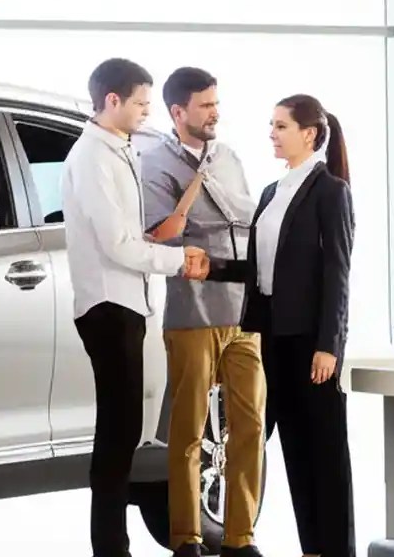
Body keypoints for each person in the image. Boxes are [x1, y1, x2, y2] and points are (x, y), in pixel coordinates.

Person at [61, 57, 208, 557]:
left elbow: (125, 235)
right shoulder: (93, 156)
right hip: (107, 304)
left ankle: (113, 546)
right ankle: (110, 548)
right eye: (142, 103)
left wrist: (153, 243)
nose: (148, 111)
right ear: (113, 101)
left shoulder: (118, 149)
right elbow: (117, 245)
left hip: (125, 300)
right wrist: (176, 260)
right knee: (117, 432)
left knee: (122, 431)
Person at [198, 94, 356, 557]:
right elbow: (260, 267)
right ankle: (312, 549)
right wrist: (212, 267)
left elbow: (337, 274)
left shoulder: (331, 191)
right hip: (272, 336)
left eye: (281, 126)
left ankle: (336, 550)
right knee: (293, 451)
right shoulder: (271, 192)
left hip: (312, 342)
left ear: (309, 134)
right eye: (271, 125)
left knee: (325, 452)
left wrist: (330, 345)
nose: (272, 133)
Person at [137, 68, 265, 557]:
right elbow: (162, 235)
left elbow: (248, 221)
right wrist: (197, 185)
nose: (215, 112)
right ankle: (186, 537)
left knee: (249, 425)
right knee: (187, 431)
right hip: (191, 311)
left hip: (244, 311)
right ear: (178, 112)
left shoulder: (229, 157)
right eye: (205, 105)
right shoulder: (154, 163)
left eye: (216, 103)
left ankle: (240, 536)